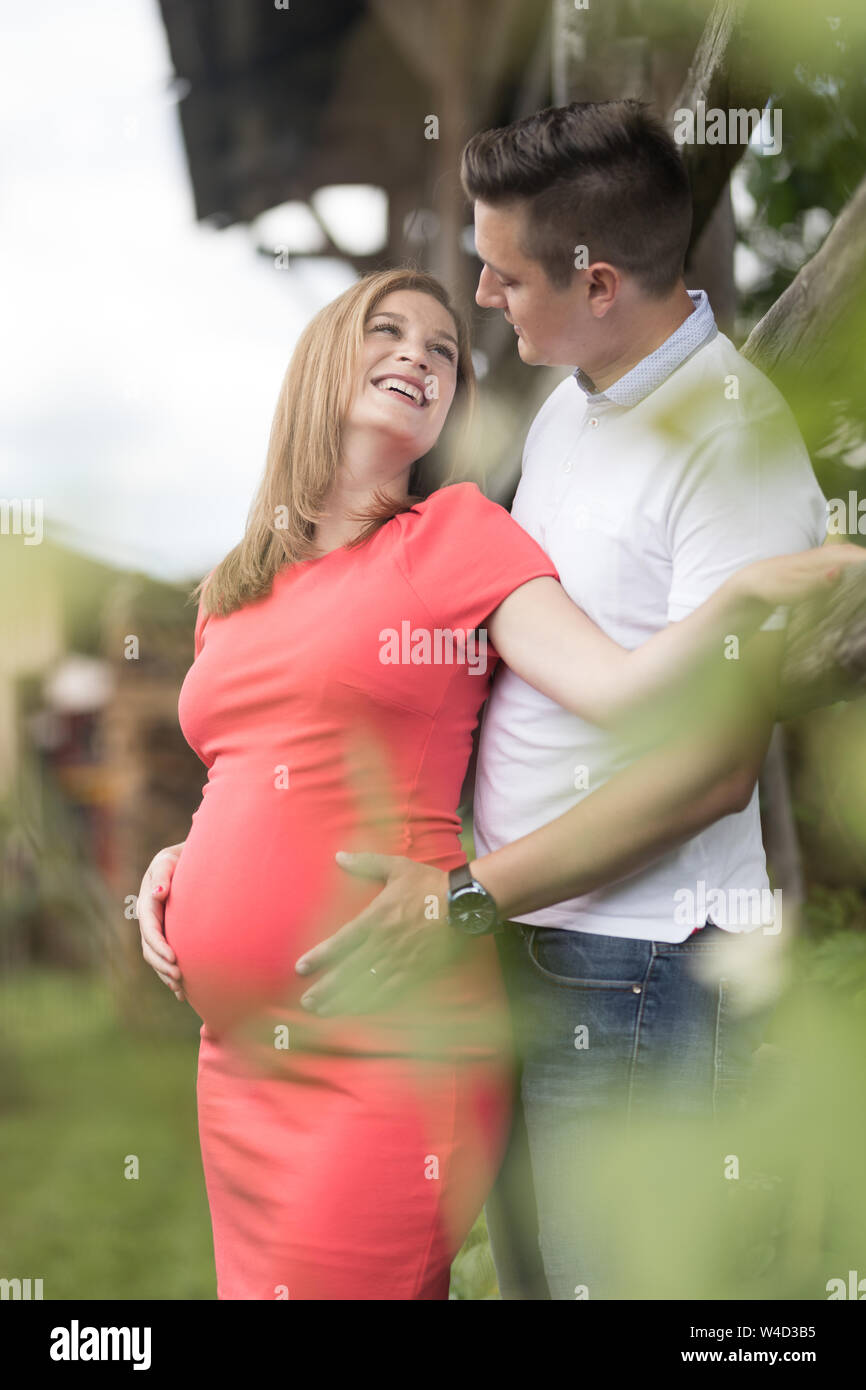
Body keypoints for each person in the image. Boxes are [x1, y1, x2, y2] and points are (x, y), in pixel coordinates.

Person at [182, 100, 845, 1302]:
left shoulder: (730, 451)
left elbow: (704, 768)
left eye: (495, 278)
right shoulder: (574, 404)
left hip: (638, 962)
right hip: (524, 946)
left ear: (593, 284)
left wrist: (467, 896)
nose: (480, 303)